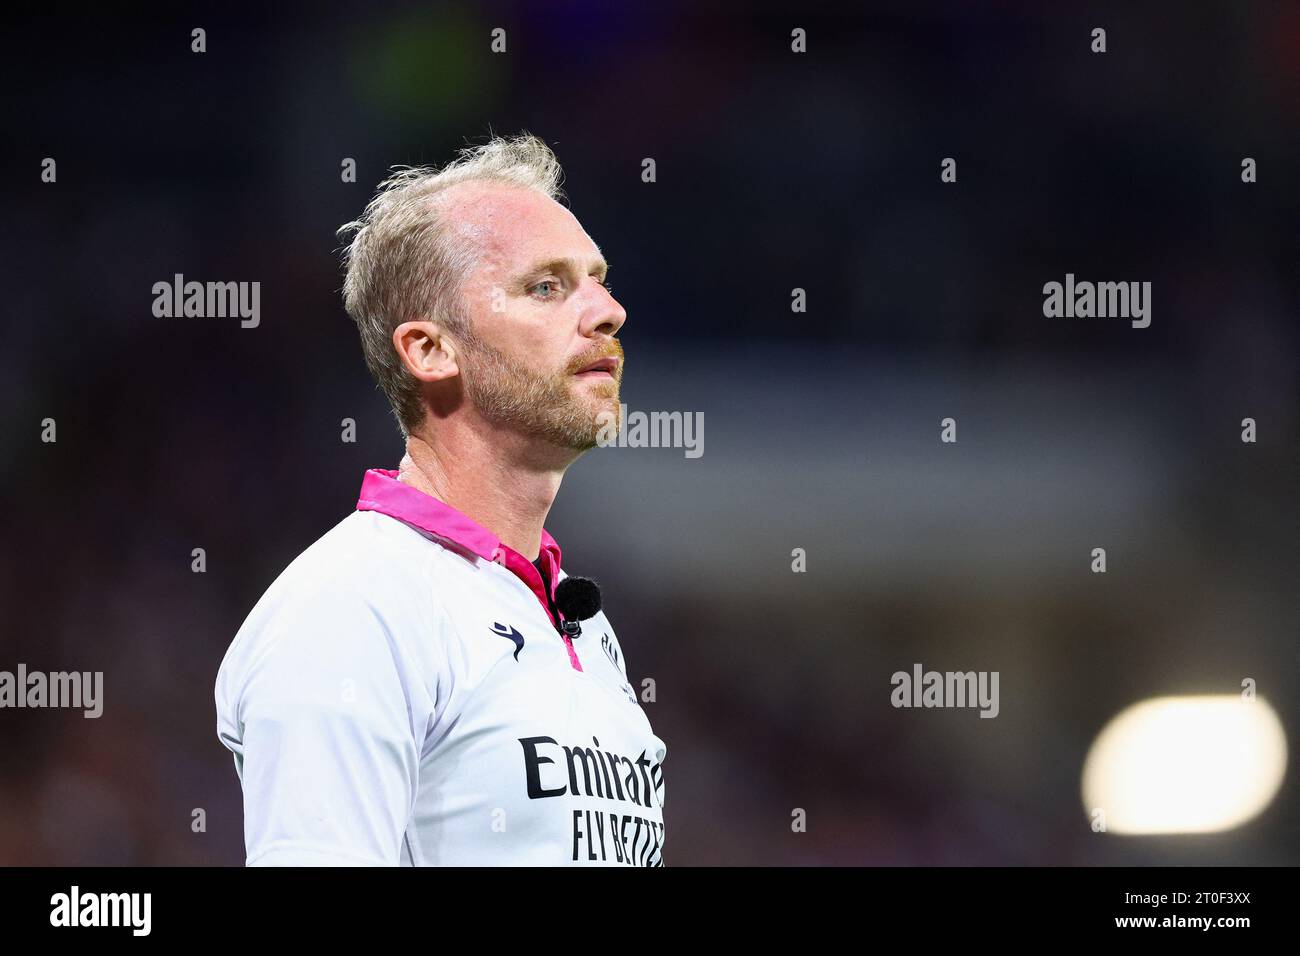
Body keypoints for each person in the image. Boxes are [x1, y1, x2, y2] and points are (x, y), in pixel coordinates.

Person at [215, 133, 666, 866]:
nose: (607, 311)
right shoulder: (353, 607)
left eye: (599, 279)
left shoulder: (580, 624)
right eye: (546, 287)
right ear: (429, 350)